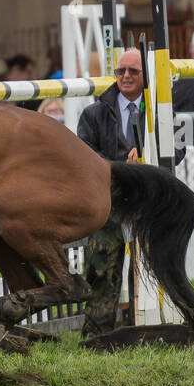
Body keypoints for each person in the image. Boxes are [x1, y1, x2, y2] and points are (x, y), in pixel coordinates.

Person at [75, 48, 146, 336]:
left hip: (147, 200)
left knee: (150, 267)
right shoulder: (93, 113)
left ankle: (145, 326)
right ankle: (97, 334)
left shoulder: (160, 107)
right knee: (101, 268)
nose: (125, 76)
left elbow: (177, 149)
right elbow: (84, 158)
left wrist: (146, 156)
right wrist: (122, 168)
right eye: (120, 71)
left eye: (133, 71)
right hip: (108, 201)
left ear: (145, 76)